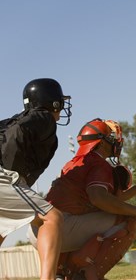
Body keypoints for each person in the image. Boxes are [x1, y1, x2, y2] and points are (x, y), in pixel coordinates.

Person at [28, 118, 136, 280]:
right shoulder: (98, 164)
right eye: (110, 138)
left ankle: (62, 272)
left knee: (102, 218)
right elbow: (100, 198)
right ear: (102, 143)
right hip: (59, 227)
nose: (115, 142)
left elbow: (112, 200)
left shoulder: (74, 162)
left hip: (42, 229)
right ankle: (87, 275)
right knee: (128, 220)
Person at [0, 78, 72, 279]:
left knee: (2, 228)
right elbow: (17, 133)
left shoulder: (14, 118)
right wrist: (11, 172)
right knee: (52, 218)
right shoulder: (44, 117)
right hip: (2, 176)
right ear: (53, 101)